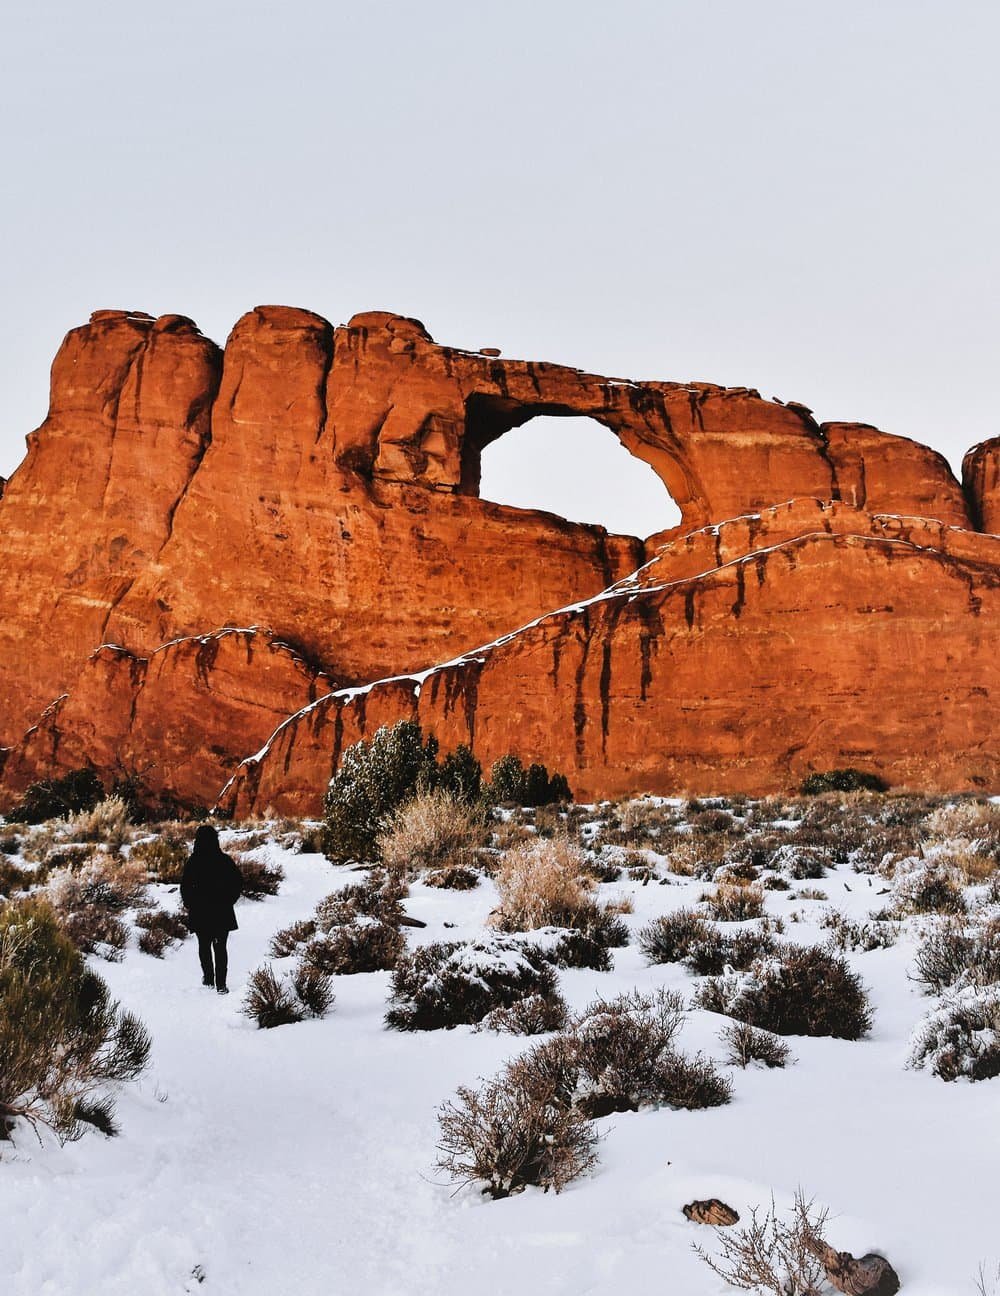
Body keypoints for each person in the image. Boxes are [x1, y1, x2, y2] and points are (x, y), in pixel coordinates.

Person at [180, 825, 243, 994]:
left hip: (200, 911)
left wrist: (189, 903)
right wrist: (230, 900)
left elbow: (185, 886)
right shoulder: (224, 860)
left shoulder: (194, 861)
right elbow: (237, 882)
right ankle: (221, 984)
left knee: (204, 945)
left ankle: (208, 978)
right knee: (220, 947)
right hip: (222, 911)